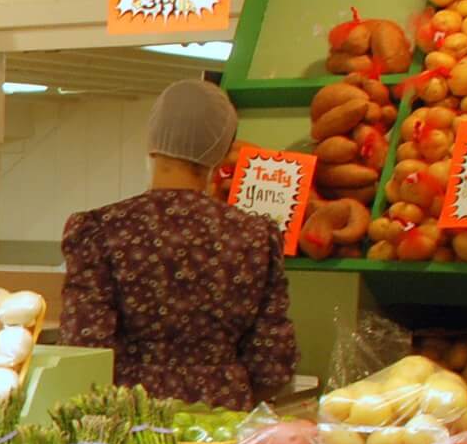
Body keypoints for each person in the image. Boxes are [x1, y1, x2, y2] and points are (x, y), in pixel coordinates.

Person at [60, 79, 295, 409]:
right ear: (221, 151)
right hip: (224, 412)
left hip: (131, 414)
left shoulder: (100, 230)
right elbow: (272, 361)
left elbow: (84, 345)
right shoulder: (256, 235)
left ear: (152, 142)